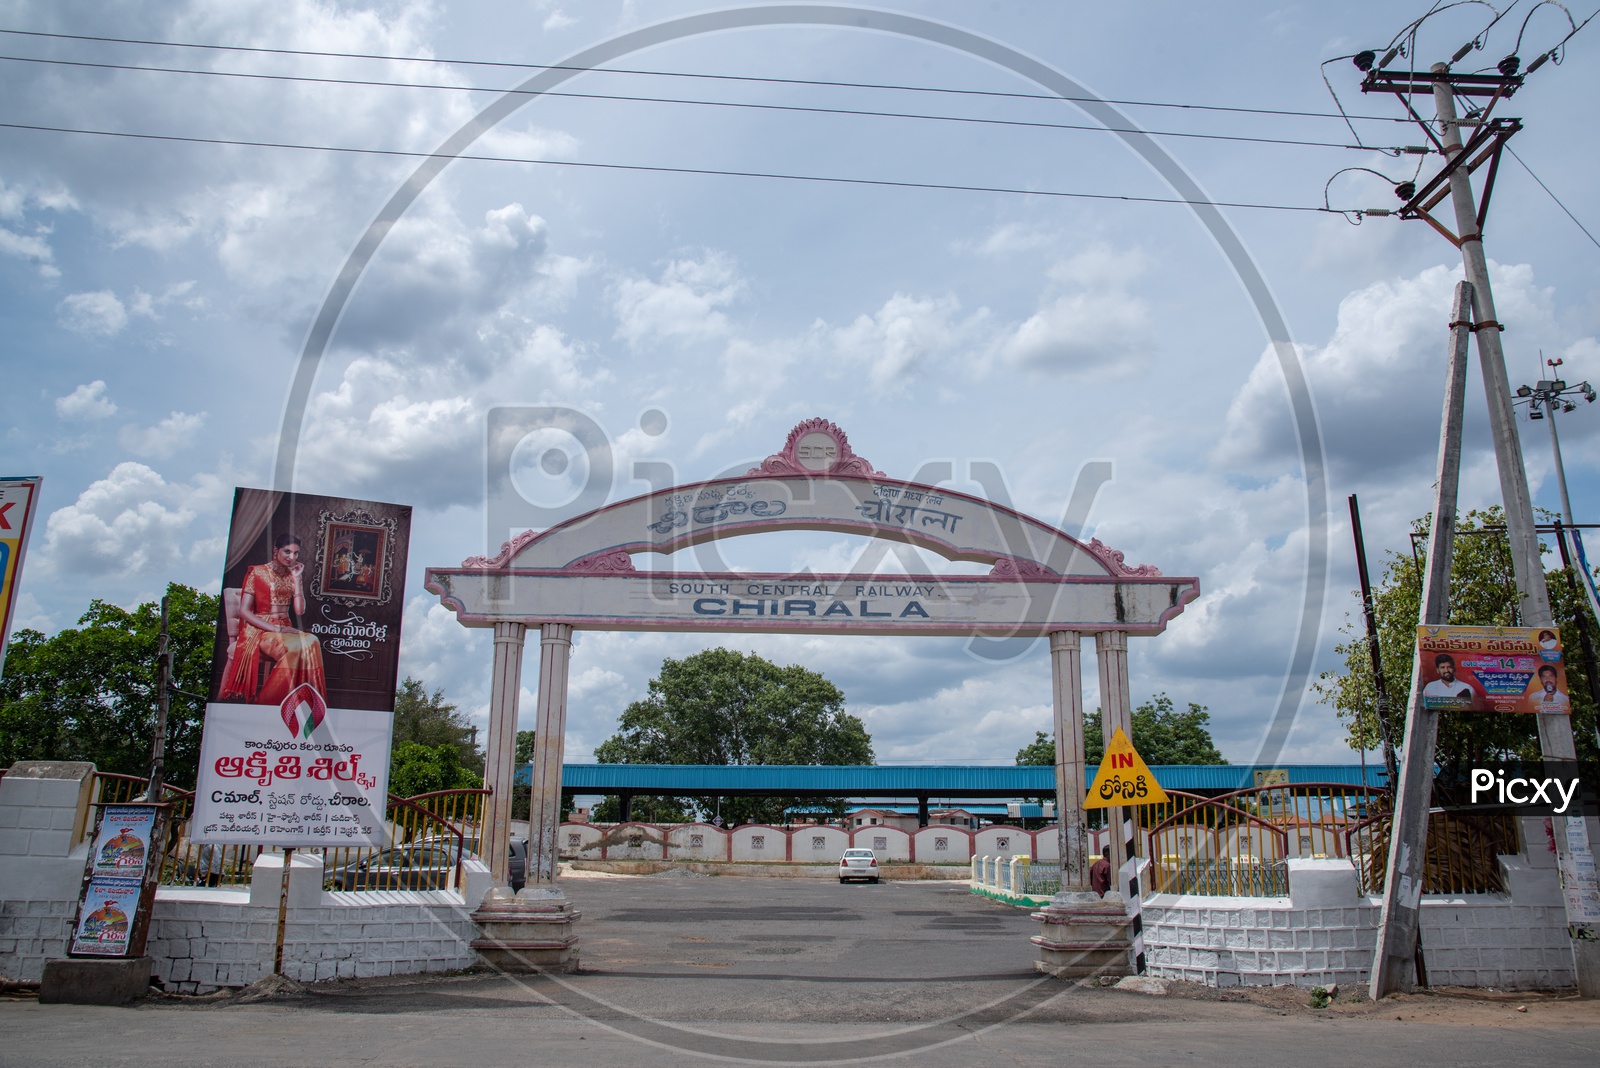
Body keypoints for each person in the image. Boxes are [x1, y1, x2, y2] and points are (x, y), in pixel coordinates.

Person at [221, 532, 327, 705]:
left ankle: (306, 701)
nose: (291, 557)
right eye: (287, 552)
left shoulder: (292, 575)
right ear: (275, 550)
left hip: (285, 628)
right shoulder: (257, 572)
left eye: (296, 553)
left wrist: (297, 579)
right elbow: (244, 611)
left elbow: (299, 611)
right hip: (260, 630)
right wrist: (277, 629)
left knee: (312, 641)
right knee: (295, 648)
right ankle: (269, 701)